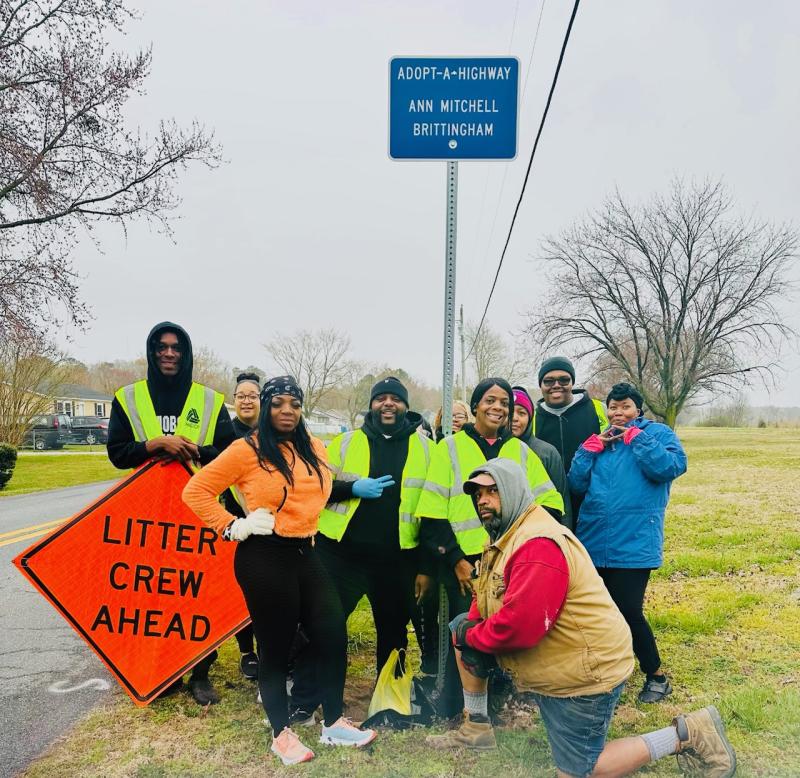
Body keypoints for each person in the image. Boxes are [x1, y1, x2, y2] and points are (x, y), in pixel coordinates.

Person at [428, 459, 736, 778]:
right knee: (462, 625)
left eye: (493, 491)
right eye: (478, 494)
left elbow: (519, 629)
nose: (483, 501)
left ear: (514, 490)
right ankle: (476, 725)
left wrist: (472, 636)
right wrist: (470, 626)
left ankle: (686, 733)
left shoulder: (537, 545)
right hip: (558, 660)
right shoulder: (505, 534)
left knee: (585, 771)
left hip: (585, 673)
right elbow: (486, 592)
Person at [182, 375, 376, 766]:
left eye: (294, 404)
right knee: (274, 647)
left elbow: (320, 490)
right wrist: (232, 525)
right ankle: (280, 733)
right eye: (278, 403)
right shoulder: (246, 450)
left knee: (332, 633)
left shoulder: (315, 447)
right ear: (266, 407)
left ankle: (334, 722)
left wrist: (353, 489)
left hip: (306, 551)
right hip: (263, 557)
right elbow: (195, 491)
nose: (287, 411)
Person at [415, 378, 564, 715]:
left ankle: (504, 701)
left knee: (505, 631)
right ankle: (461, 707)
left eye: (504, 403)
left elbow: (550, 504)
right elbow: (432, 514)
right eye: (489, 400)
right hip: (465, 564)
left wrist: (525, 548)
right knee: (464, 634)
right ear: (476, 405)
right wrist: (455, 561)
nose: (497, 408)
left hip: (511, 562)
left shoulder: (521, 451)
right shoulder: (449, 448)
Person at [106, 321, 235, 706]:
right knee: (154, 594)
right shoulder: (127, 398)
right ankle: (163, 670)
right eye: (161, 347)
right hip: (148, 516)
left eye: (176, 347)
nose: (168, 353)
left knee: (197, 594)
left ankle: (200, 673)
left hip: (199, 512)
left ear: (187, 353)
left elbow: (232, 455)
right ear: (151, 352)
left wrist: (196, 450)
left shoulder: (210, 400)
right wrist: (154, 444)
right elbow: (117, 452)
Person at [290, 377, 433, 720]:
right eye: (380, 398)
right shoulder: (345, 442)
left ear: (405, 406)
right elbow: (316, 488)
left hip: (397, 558)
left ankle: (389, 701)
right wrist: (353, 488)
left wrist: (425, 564)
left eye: (395, 399)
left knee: (394, 632)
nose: (387, 404)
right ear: (371, 405)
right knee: (322, 624)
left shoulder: (428, 448)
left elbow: (434, 509)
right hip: (342, 555)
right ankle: (306, 700)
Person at [568, 382, 687, 704]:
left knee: (629, 610)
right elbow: (576, 484)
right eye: (613, 407)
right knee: (596, 612)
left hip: (633, 542)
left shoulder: (658, 434)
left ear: (638, 409)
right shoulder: (601, 440)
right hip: (594, 539)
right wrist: (588, 450)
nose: (618, 413)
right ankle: (608, 670)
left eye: (625, 407)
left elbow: (670, 468)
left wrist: (638, 440)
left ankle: (656, 675)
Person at [532, 356, 608, 521]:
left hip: (594, 506)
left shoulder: (598, 409)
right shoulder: (532, 417)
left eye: (564, 380)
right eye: (549, 381)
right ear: (541, 385)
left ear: (572, 383)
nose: (556, 385)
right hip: (550, 509)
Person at [227, 372, 262, 681]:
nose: (247, 400)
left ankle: (269, 648)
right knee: (241, 592)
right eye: (242, 395)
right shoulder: (226, 432)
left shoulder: (272, 431)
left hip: (268, 522)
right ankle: (246, 652)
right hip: (236, 524)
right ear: (234, 400)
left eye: (253, 395)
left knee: (265, 589)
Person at [510, 385, 572, 529]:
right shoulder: (493, 450)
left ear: (530, 418)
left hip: (539, 533)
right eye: (510, 412)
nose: (515, 418)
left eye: (522, 413)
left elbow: (563, 501)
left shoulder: (546, 452)